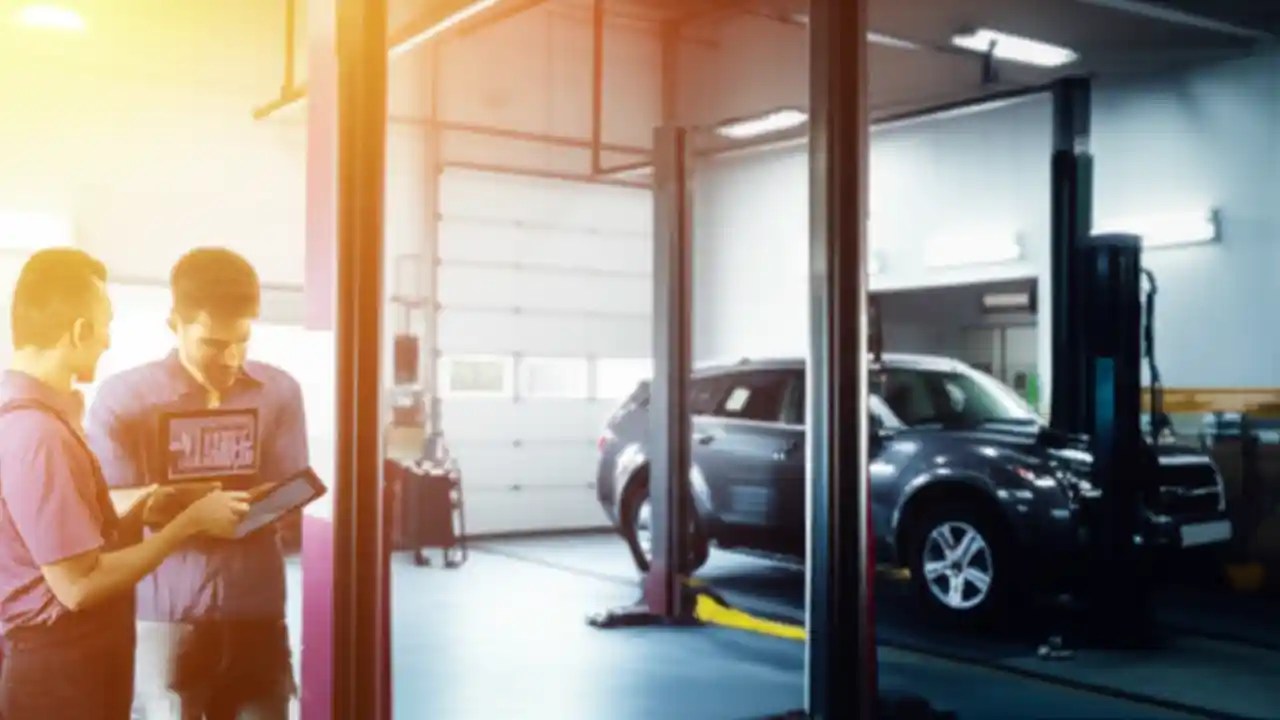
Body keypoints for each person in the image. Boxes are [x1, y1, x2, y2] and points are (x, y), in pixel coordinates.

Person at [0, 247, 251, 720]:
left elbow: (59, 530)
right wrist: (188, 524)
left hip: (69, 663)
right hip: (59, 673)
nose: (108, 341)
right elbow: (78, 585)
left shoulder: (36, 420)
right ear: (79, 332)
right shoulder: (37, 434)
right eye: (105, 326)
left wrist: (147, 505)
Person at [86, 247, 309, 719]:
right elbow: (109, 510)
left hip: (257, 612)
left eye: (242, 340)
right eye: (212, 343)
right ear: (175, 323)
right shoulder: (123, 398)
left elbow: (293, 492)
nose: (231, 358)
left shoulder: (281, 392)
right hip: (164, 617)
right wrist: (182, 510)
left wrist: (253, 511)